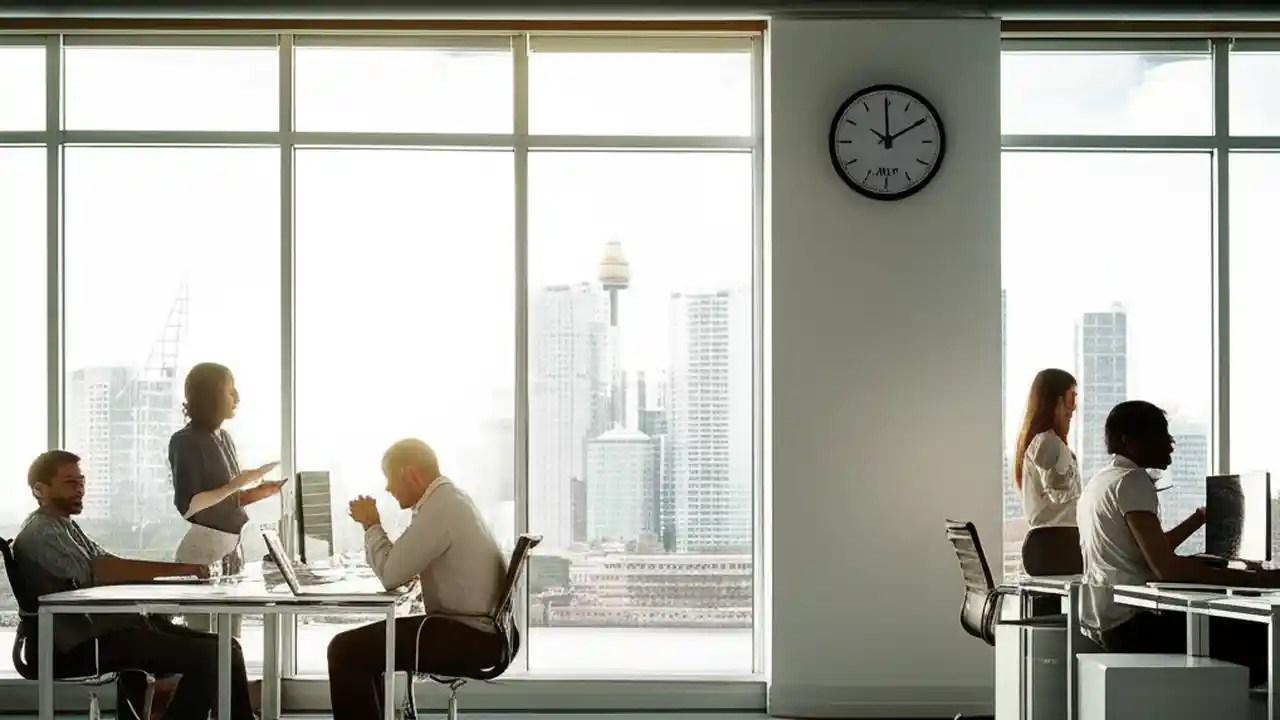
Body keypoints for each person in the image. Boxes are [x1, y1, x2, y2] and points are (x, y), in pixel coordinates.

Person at [13, 450, 255, 720]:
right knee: (213, 656)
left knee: (228, 647)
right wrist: (182, 569)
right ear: (39, 489)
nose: (80, 489)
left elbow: (109, 563)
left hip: (104, 630)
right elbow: (103, 571)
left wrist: (175, 579)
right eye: (70, 482)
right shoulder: (42, 533)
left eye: (81, 482)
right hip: (79, 644)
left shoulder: (64, 526)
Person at [1077, 400, 1276, 685]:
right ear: (1129, 441)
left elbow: (1152, 548)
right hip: (1131, 623)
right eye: (1161, 435)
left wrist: (1199, 518)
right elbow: (1167, 570)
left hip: (1106, 619)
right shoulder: (1133, 480)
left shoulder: (1102, 480)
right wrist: (1259, 581)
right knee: (1262, 636)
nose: (1170, 445)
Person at [327, 439, 508, 720]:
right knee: (364, 651)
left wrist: (371, 524)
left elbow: (390, 574)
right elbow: (407, 564)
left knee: (345, 650)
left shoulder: (440, 508)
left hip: (466, 635)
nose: (388, 488)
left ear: (411, 475)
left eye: (390, 478)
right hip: (478, 630)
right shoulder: (452, 498)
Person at [169, 362, 281, 634]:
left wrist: (255, 493)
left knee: (232, 639)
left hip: (232, 551)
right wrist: (238, 483)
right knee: (206, 645)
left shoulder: (225, 438)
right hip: (203, 555)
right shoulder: (185, 441)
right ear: (211, 396)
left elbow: (225, 498)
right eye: (231, 392)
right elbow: (190, 507)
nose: (238, 398)